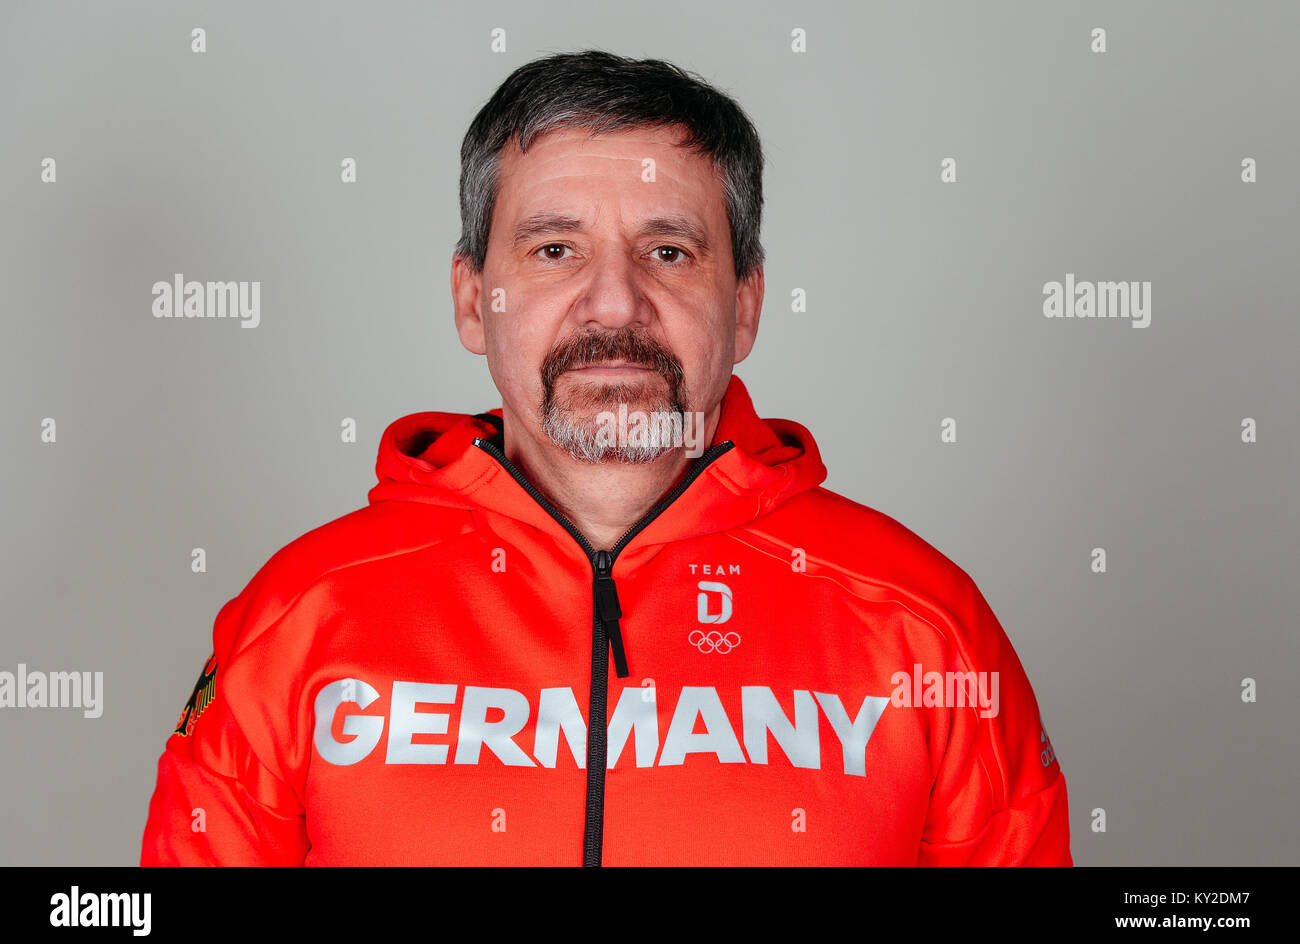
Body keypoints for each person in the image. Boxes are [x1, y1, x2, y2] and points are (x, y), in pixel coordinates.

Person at [140, 49, 1071, 866]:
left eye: (668, 251)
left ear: (745, 303)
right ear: (473, 300)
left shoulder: (924, 629)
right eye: (554, 249)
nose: (615, 304)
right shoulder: (299, 622)